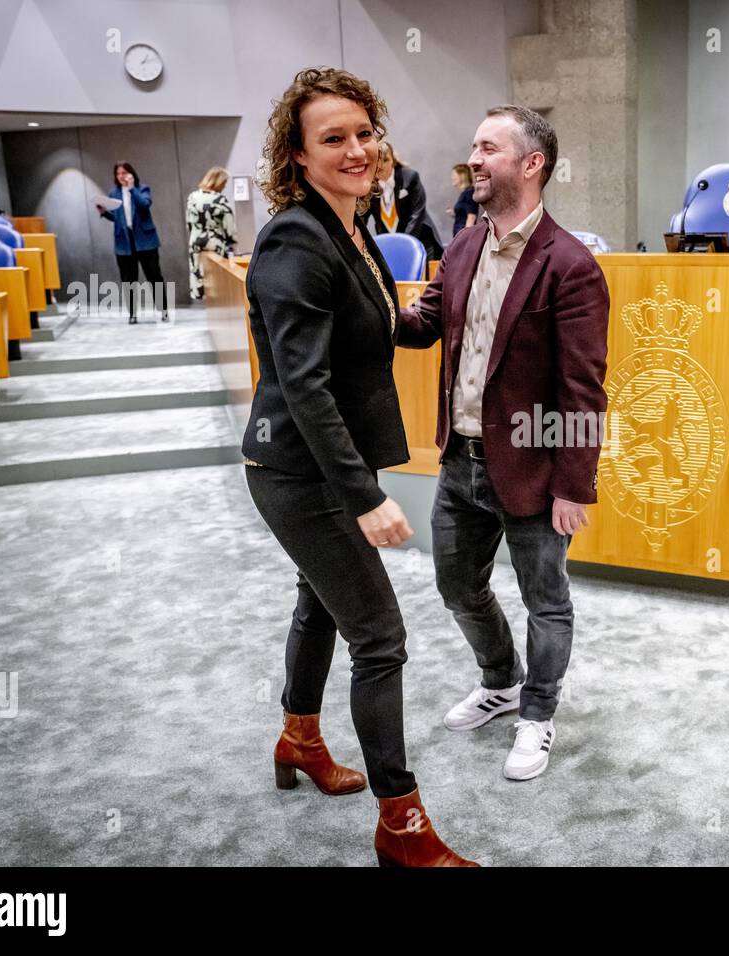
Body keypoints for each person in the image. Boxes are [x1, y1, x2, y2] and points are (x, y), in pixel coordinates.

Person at [241, 66, 476, 867]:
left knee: (319, 604)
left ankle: (299, 740)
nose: (354, 149)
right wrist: (366, 496)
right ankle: (401, 826)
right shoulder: (294, 240)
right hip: (298, 472)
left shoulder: (353, 226)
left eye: (363, 133)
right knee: (379, 638)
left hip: (322, 467)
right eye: (332, 138)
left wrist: (457, 292)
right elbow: (304, 386)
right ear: (298, 157)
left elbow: (384, 327)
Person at [396, 105, 610, 781]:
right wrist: (362, 311)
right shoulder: (462, 244)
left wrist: (575, 486)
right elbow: (425, 321)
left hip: (534, 469)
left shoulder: (571, 266)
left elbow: (583, 388)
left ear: (531, 163)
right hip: (458, 462)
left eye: (489, 147)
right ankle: (502, 679)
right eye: (473, 147)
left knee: (544, 600)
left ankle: (538, 715)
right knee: (458, 585)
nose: (474, 159)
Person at [96, 161, 167, 323]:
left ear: (131, 174)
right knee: (128, 279)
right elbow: (117, 218)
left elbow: (144, 205)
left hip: (146, 241)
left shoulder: (142, 189)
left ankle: (163, 310)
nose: (121, 176)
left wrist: (132, 188)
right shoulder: (113, 194)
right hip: (124, 242)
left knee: (154, 276)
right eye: (118, 173)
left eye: (124, 173)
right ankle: (133, 314)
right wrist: (104, 212)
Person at [366, 141, 444, 261]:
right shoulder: (370, 186)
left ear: (390, 161)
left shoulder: (410, 177)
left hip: (419, 240)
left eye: (380, 168)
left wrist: (404, 245)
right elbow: (362, 216)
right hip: (390, 244)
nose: (376, 172)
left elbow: (417, 214)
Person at [185, 166, 238, 300]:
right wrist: (233, 243)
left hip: (195, 241)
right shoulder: (220, 200)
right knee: (217, 281)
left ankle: (200, 294)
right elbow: (230, 229)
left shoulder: (193, 197)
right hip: (215, 243)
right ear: (217, 182)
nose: (224, 187)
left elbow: (189, 223)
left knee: (198, 272)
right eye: (224, 183)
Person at [448, 163, 478, 237]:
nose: (452, 178)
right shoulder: (465, 193)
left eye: (454, 175)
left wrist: (465, 238)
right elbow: (464, 216)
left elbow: (471, 217)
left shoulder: (469, 193)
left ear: (462, 176)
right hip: (459, 234)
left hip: (463, 236)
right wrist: (454, 213)